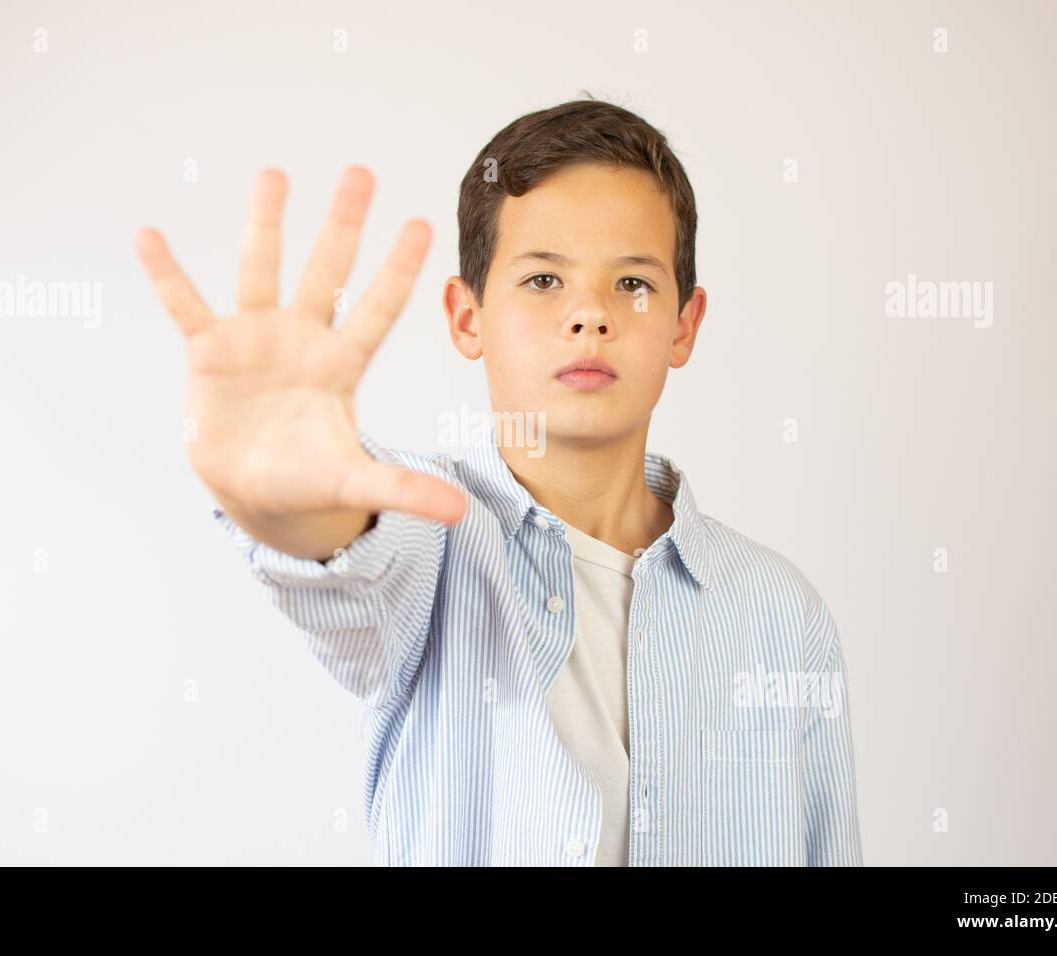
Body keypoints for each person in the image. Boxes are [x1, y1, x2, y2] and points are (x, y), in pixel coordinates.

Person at [134, 97, 863, 867]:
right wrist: (291, 503)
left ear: (684, 323)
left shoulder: (784, 614)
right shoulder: (431, 535)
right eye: (545, 279)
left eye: (634, 284)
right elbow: (348, 552)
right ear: (466, 316)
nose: (589, 314)